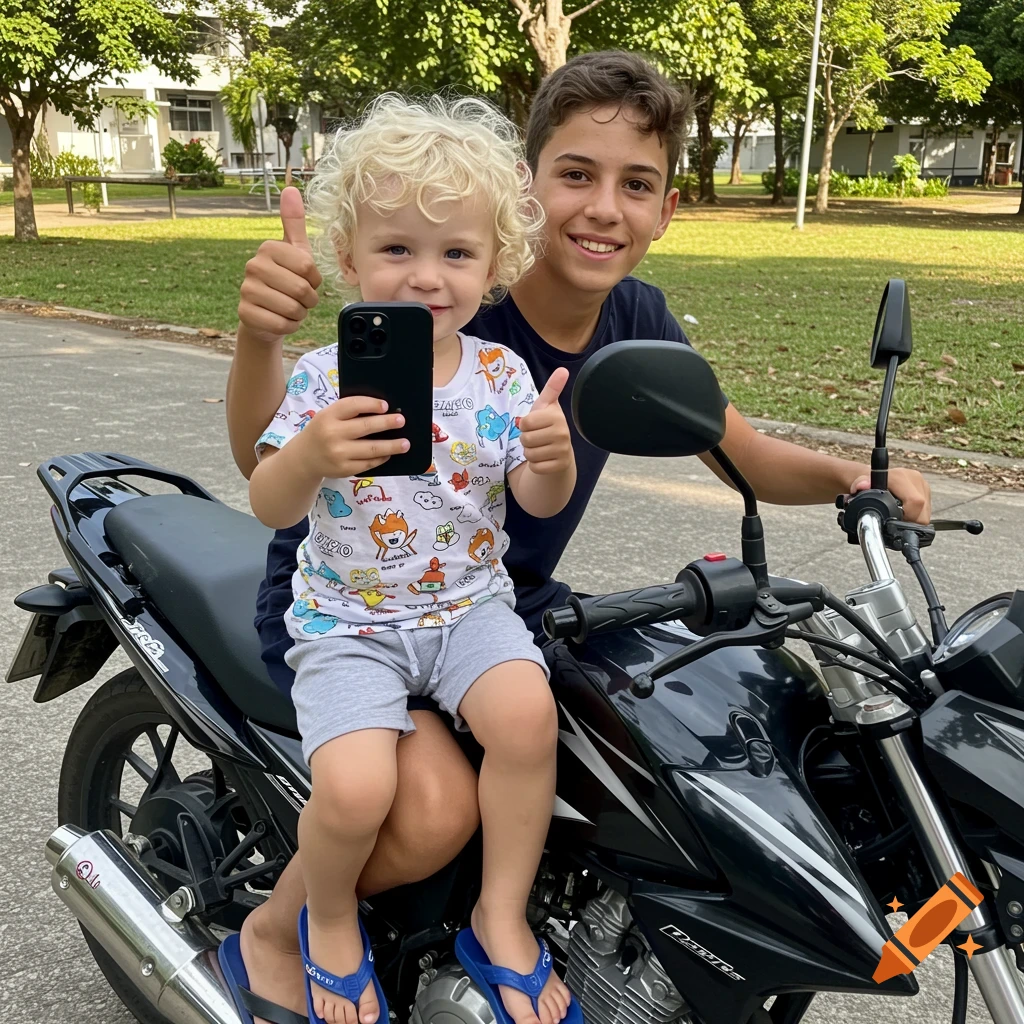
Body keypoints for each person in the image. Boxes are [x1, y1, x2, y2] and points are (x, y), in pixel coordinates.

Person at [225, 49, 932, 1024]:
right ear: (525, 188)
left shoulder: (633, 318)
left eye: (634, 185)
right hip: (356, 600)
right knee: (430, 812)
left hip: (485, 603)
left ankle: (517, 918)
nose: (604, 208)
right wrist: (259, 339)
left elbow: (743, 454)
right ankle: (278, 925)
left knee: (622, 731)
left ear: (665, 210)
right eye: (575, 175)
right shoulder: (439, 287)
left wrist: (856, 478)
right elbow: (262, 467)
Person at [246, 94, 579, 1024]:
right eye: (397, 249)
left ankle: (499, 914)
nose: (427, 278)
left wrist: (550, 462)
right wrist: (310, 453)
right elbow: (267, 498)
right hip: (350, 622)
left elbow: (534, 502)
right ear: (348, 256)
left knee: (526, 719)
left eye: (457, 253)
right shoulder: (319, 377)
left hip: (468, 608)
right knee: (356, 789)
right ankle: (326, 915)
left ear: (495, 264)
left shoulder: (503, 376)